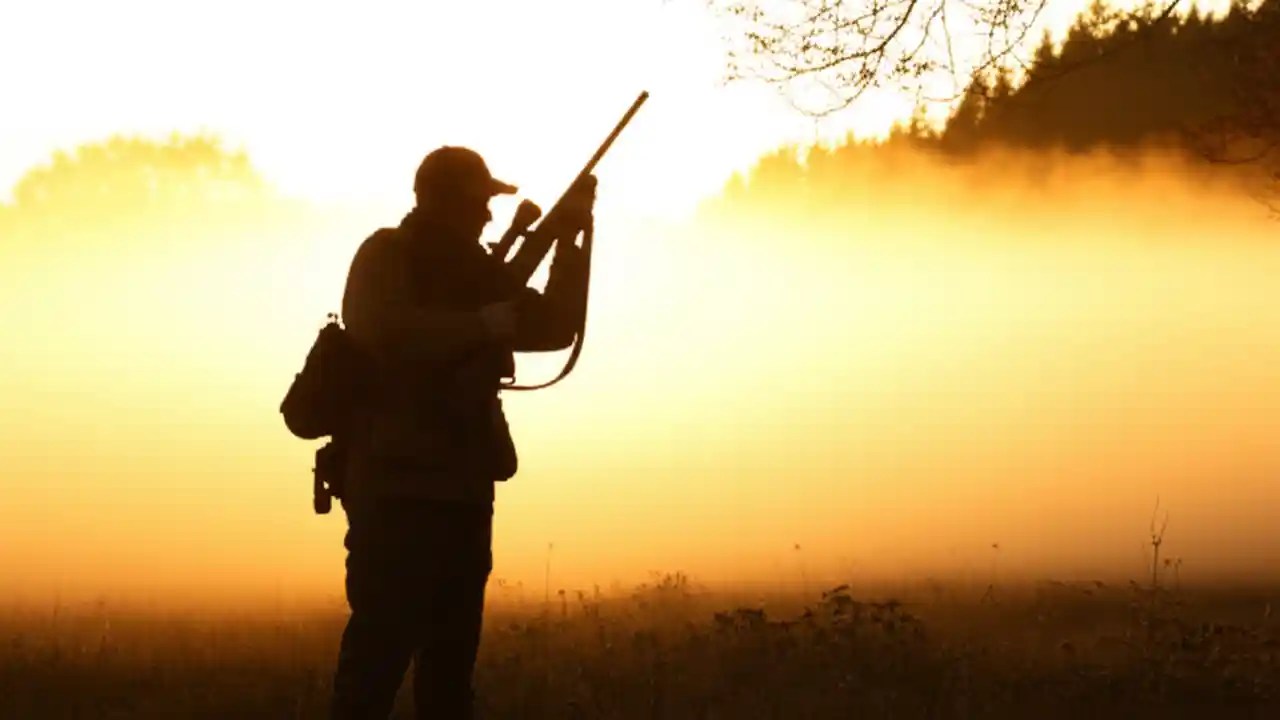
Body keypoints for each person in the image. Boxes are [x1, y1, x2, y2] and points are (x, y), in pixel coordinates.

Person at [329, 145, 591, 719]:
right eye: (480, 204)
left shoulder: (479, 272)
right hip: (395, 493)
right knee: (374, 666)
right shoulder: (386, 256)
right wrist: (478, 324)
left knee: (449, 678)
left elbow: (550, 328)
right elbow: (382, 330)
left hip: (462, 495)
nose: (488, 217)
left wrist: (571, 242)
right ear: (447, 202)